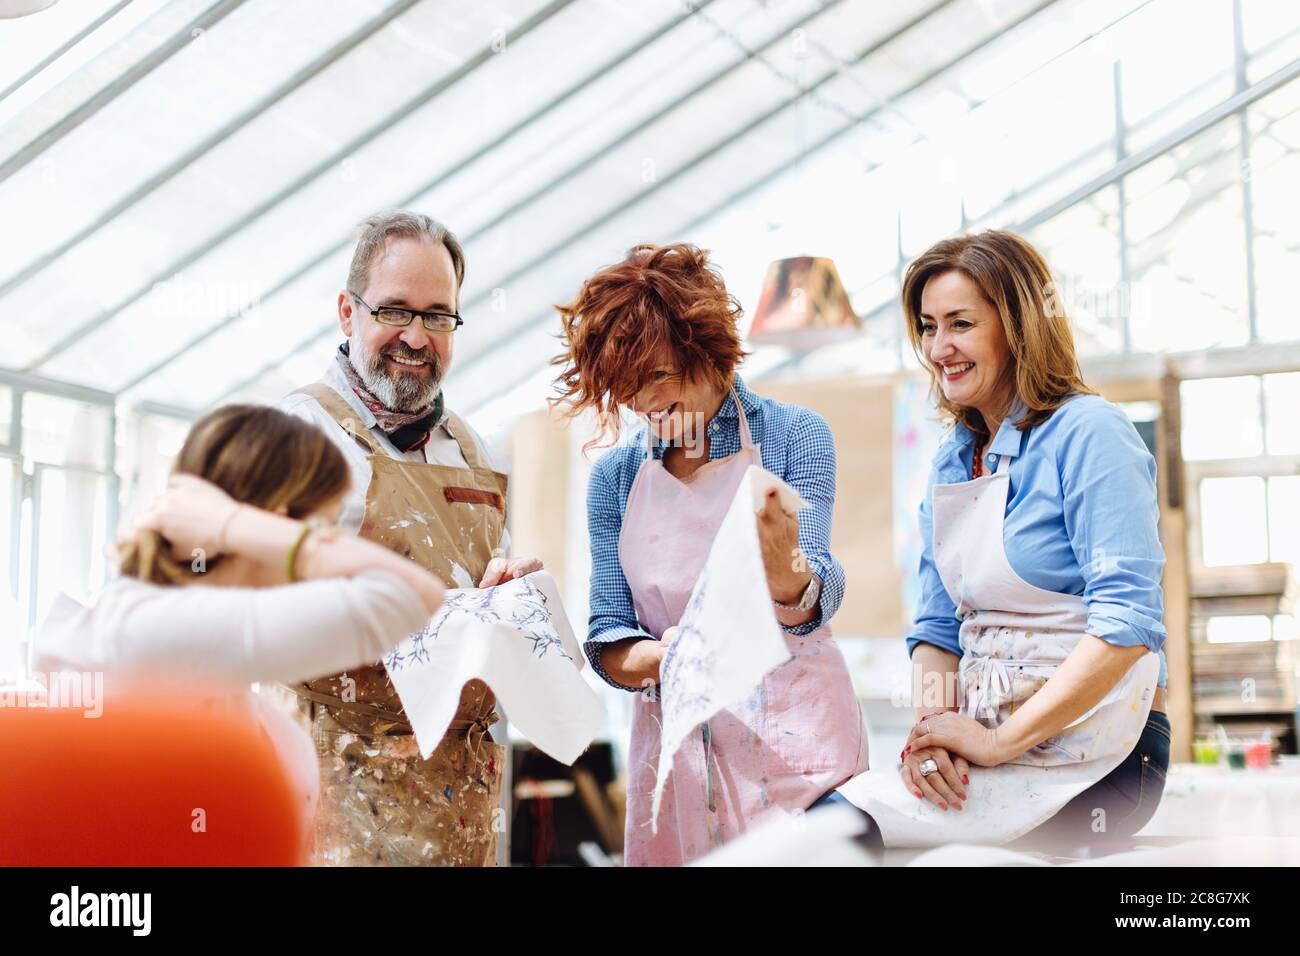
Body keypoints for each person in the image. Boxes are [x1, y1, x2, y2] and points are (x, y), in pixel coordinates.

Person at [835, 230, 1169, 850]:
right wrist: (933, 737)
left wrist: (995, 743)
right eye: (928, 328)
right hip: (987, 743)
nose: (940, 348)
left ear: (1018, 328)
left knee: (844, 833)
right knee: (826, 824)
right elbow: (937, 630)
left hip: (1104, 754)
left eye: (960, 323)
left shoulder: (1090, 433)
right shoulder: (952, 460)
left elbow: (1127, 624)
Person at [551, 242, 868, 866]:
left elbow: (815, 596)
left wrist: (786, 574)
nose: (644, 403)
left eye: (659, 377)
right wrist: (663, 659)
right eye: (625, 389)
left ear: (708, 347)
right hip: (680, 760)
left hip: (798, 753)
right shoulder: (616, 476)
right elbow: (608, 635)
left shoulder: (793, 436)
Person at [32, 404, 446, 860]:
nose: (326, 569)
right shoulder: (153, 632)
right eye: (325, 532)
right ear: (276, 521)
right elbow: (411, 595)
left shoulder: (247, 709)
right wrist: (232, 524)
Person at [278, 210, 542, 866]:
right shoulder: (294, 439)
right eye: (396, 311)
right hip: (334, 809)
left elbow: (484, 617)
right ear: (348, 312)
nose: (417, 338)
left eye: (438, 316)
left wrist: (506, 598)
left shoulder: (477, 453)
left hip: (463, 815)